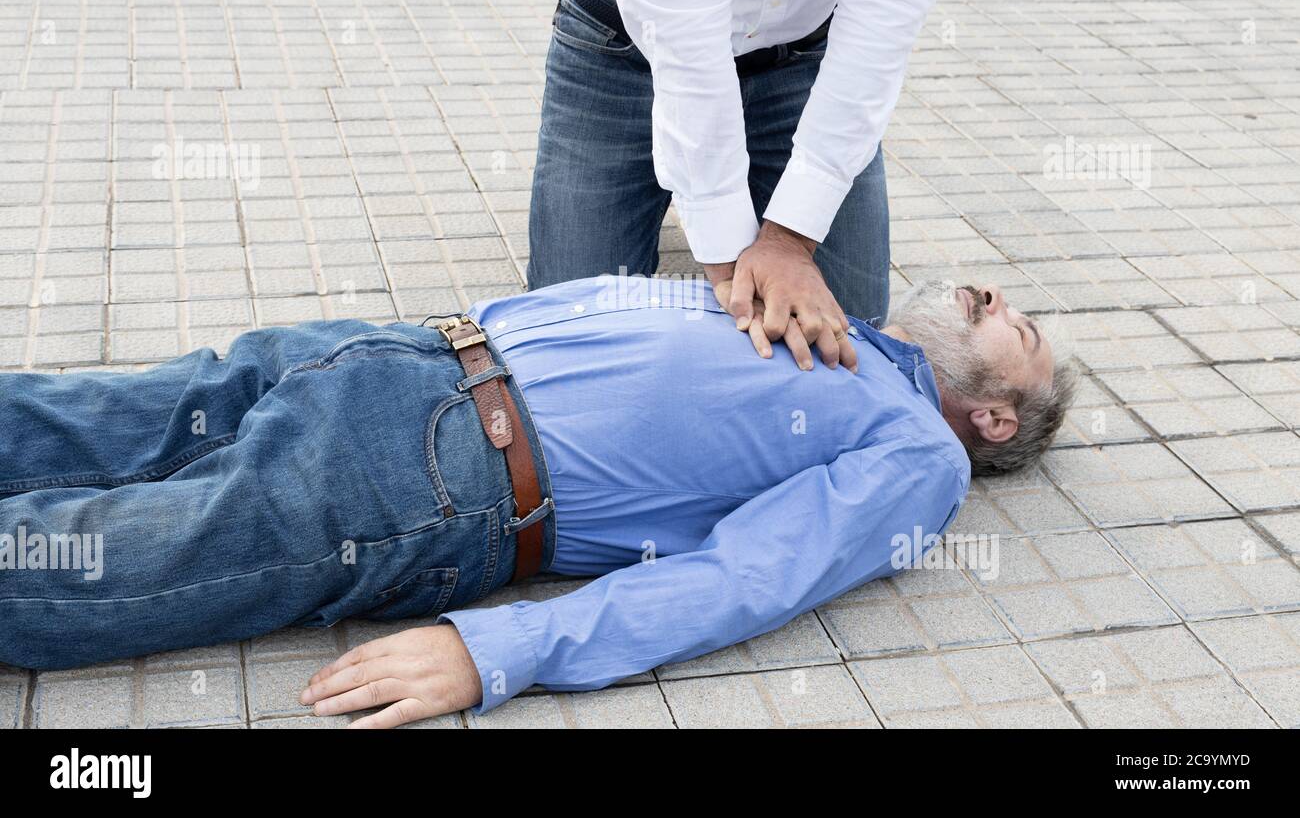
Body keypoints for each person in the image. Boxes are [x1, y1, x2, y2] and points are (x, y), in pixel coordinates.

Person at [0, 275, 1073, 727]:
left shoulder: (915, 458)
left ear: (990, 418)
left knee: (106, 558)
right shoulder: (828, 315)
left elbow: (747, 578)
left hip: (437, 477)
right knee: (75, 413)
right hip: (402, 351)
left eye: (1010, 327)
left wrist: (502, 650)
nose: (989, 294)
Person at [528, 0, 998, 360]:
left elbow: (881, 29)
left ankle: (711, 195)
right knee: (565, 345)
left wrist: (790, 241)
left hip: (799, 58)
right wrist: (731, 260)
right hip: (623, 52)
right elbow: (687, 44)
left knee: (850, 342)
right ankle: (674, 197)